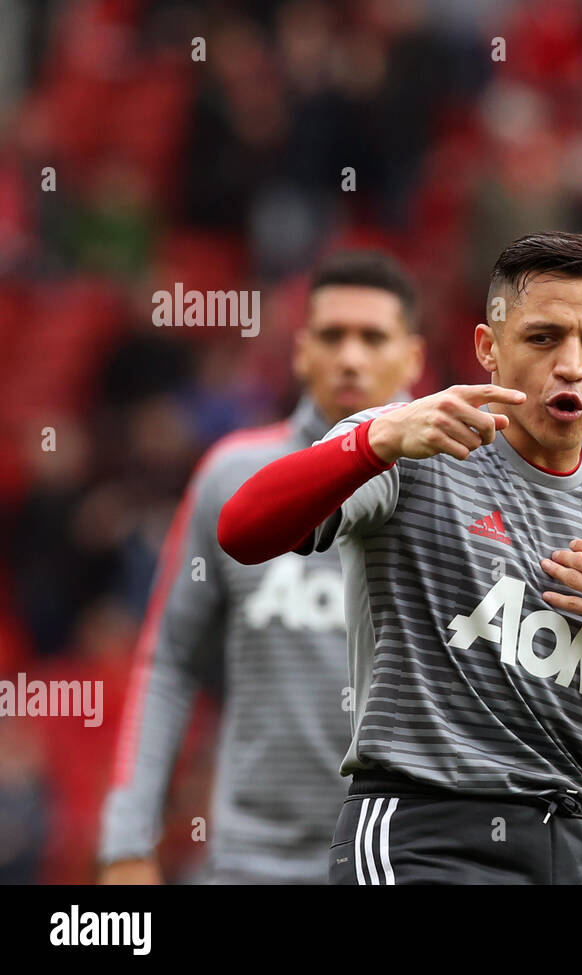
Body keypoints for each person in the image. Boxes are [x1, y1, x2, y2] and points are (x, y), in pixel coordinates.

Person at [218, 232, 582, 884]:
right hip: (416, 829)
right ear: (487, 348)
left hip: (566, 843)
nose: (572, 364)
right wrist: (375, 441)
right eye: (543, 337)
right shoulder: (411, 442)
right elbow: (242, 530)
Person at [99, 250, 425, 883]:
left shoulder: (461, 486)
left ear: (412, 356)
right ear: (301, 352)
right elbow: (169, 661)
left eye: (373, 337)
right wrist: (127, 840)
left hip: (407, 861)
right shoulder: (234, 478)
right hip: (253, 864)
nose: (351, 357)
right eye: (333, 336)